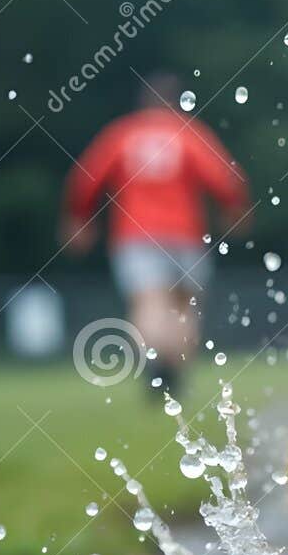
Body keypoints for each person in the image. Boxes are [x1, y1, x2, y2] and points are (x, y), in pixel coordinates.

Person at [61, 73, 250, 397]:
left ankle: (154, 365)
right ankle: (173, 373)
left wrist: (79, 217)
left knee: (148, 301)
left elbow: (86, 176)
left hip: (136, 236)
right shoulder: (189, 132)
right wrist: (234, 209)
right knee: (184, 307)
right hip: (186, 235)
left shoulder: (122, 134)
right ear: (176, 102)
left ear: (142, 103)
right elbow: (225, 175)